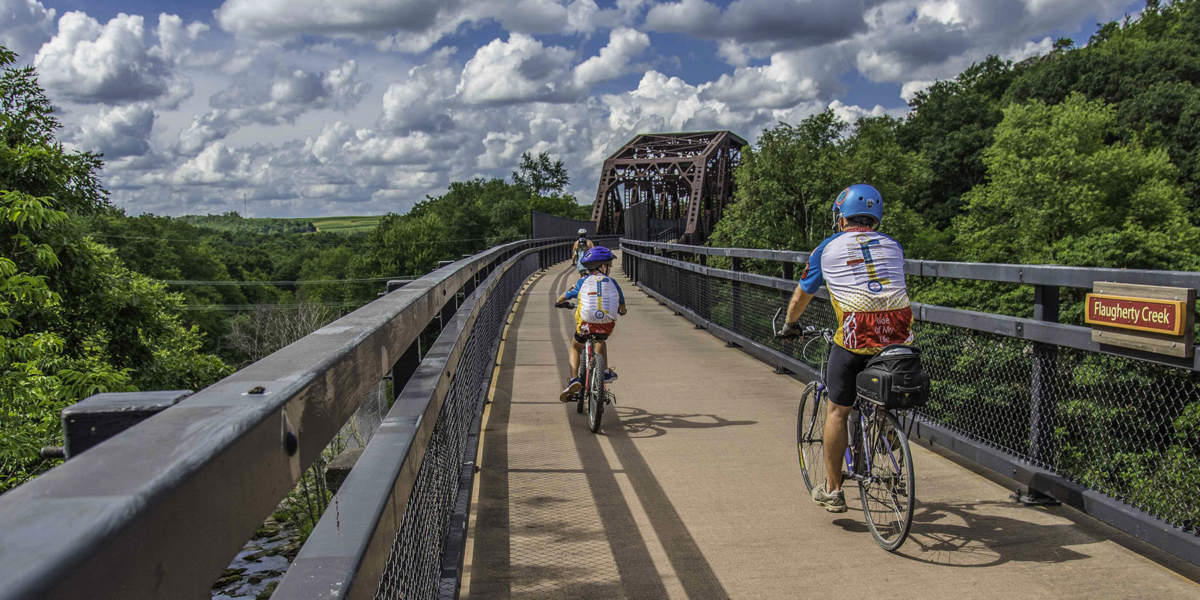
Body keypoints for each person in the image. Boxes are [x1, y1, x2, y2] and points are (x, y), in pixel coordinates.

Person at [780, 183, 913, 513]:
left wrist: (789, 324)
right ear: (875, 219)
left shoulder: (826, 249)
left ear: (841, 218)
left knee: (838, 411)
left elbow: (800, 297)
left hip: (857, 334)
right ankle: (885, 420)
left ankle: (833, 488)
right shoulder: (893, 246)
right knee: (886, 379)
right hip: (899, 333)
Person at [556, 246, 627, 401]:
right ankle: (605, 371)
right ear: (601, 266)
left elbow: (565, 296)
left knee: (575, 346)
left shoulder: (582, 281)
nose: (610, 268)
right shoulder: (613, 283)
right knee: (600, 340)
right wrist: (622, 310)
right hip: (607, 325)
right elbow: (622, 306)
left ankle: (574, 379)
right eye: (609, 265)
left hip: (586, 324)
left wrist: (559, 301)